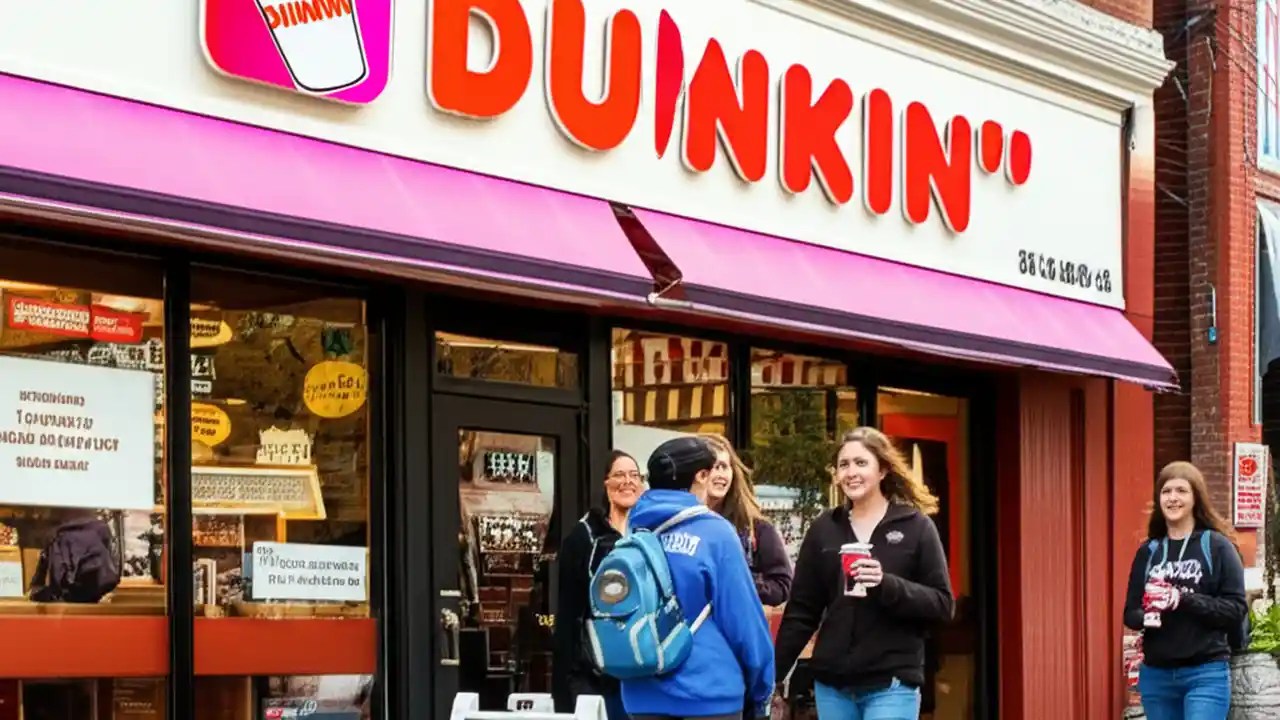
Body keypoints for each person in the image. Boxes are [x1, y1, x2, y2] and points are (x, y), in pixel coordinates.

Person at [773, 427, 953, 720]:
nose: (851, 472)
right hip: (832, 685)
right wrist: (773, 675)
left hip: (891, 682)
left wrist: (885, 584)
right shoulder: (824, 529)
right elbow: (802, 612)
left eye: (860, 463)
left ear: (882, 470)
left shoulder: (916, 527)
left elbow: (942, 604)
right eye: (843, 465)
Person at [621, 436, 776, 720]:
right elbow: (743, 621)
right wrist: (762, 687)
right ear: (701, 476)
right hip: (709, 691)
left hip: (641, 693)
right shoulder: (715, 532)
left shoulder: (634, 532)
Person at [1122, 461, 1247, 720]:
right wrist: (1149, 613)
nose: (1173, 498)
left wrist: (1181, 599)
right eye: (1166, 492)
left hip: (1205, 672)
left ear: (1195, 498)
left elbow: (1235, 609)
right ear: (1159, 499)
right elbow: (1130, 614)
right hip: (1157, 676)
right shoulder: (1149, 551)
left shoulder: (1217, 547)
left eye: (1181, 491)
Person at [553, 450, 645, 719]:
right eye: (619, 475)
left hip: (641, 666)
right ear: (604, 484)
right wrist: (564, 687)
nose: (627, 481)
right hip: (593, 672)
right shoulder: (584, 537)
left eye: (634, 475)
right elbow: (569, 615)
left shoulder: (649, 534)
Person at [699, 434, 792, 607]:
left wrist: (739, 582)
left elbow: (782, 585)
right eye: (711, 467)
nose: (719, 474)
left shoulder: (756, 528)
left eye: (723, 467)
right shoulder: (678, 525)